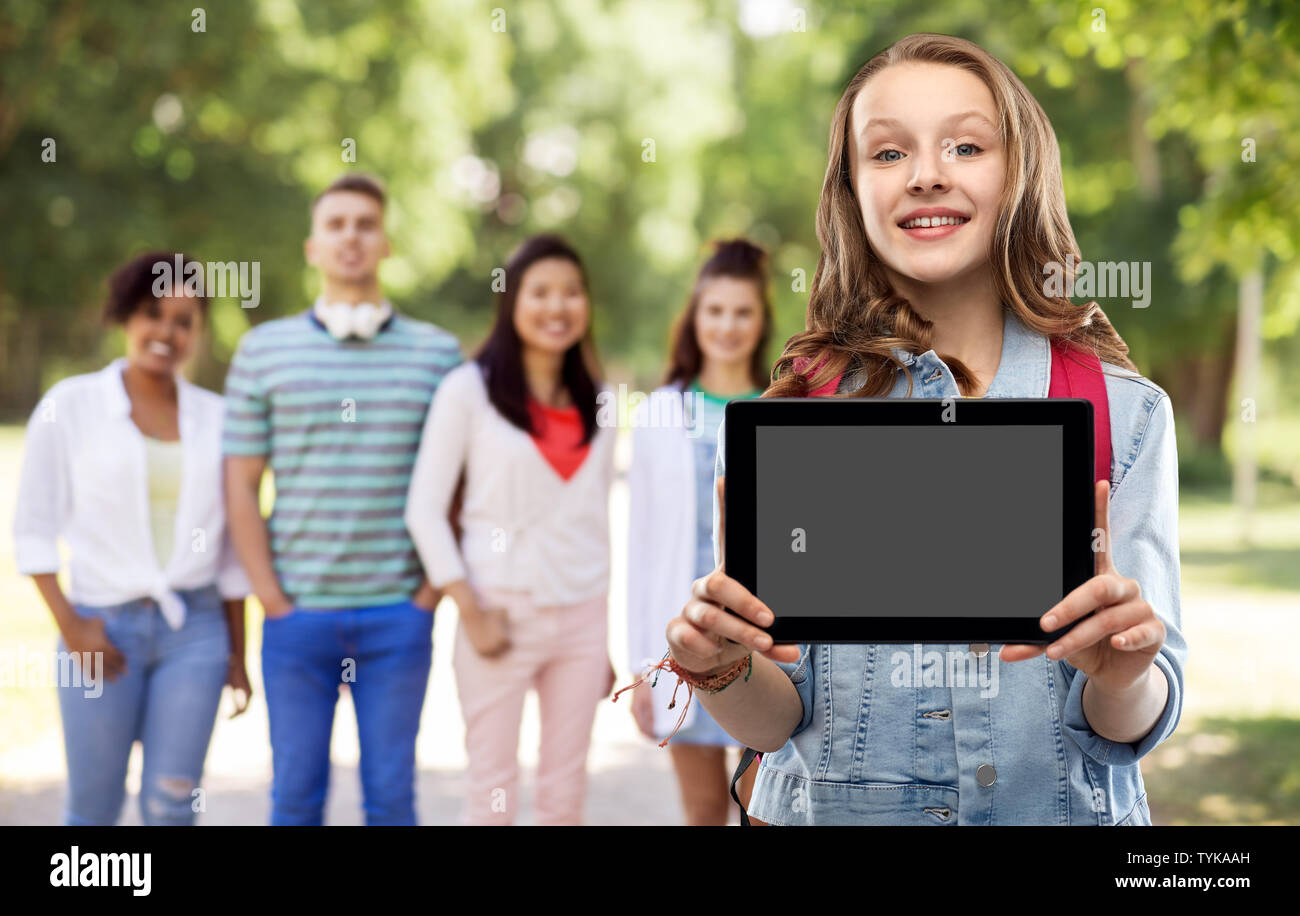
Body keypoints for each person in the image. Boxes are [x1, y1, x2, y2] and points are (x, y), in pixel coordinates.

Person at [662, 33, 1187, 825]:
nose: (926, 173)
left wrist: (1120, 675)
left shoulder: (1127, 413)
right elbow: (780, 722)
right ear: (852, 192)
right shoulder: (787, 424)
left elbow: (1134, 723)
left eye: (966, 144)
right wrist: (724, 669)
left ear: (1019, 174)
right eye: (887, 153)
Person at [222, 173, 462, 826]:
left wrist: (427, 598)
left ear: (386, 242)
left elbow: (461, 486)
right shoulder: (262, 351)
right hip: (297, 617)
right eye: (336, 224)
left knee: (392, 798)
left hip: (398, 617)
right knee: (295, 798)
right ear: (312, 246)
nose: (350, 236)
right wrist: (271, 600)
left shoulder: (437, 355)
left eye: (364, 224)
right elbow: (240, 485)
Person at [13, 251, 252, 825]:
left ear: (198, 331)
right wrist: (74, 629)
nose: (166, 332)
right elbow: (33, 528)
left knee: (172, 806)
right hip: (100, 628)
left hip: (193, 633)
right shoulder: (70, 407)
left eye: (184, 320)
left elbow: (228, 552)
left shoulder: (218, 419)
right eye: (152, 314)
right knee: (93, 810)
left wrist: (239, 655)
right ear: (125, 316)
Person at [406, 234, 616, 826]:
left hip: (581, 618)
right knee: (492, 789)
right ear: (511, 302)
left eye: (572, 293)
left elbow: (594, 523)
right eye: (541, 292)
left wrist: (600, 642)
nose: (558, 307)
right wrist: (470, 610)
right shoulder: (467, 392)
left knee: (565, 790)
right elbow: (424, 510)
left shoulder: (599, 404)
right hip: (497, 612)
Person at [625, 239, 772, 825]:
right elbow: (640, 549)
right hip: (683, 638)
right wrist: (641, 666)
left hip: (765, 642)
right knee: (705, 811)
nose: (727, 326)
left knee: (762, 808)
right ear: (694, 317)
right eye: (715, 311)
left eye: (742, 312)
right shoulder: (659, 413)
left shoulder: (780, 403)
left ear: (761, 320)